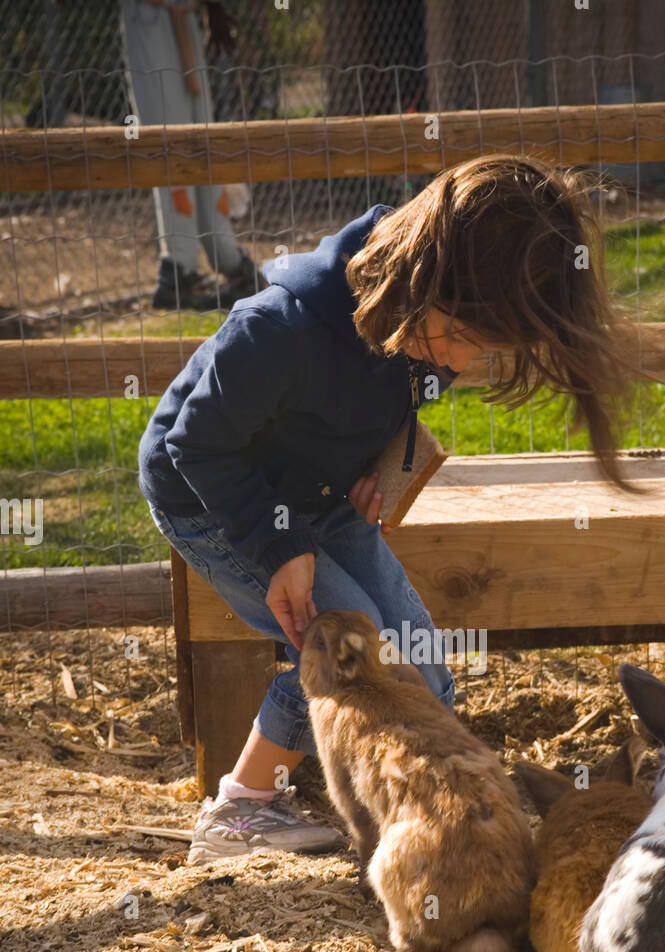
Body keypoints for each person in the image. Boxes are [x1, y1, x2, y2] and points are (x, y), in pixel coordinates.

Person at [138, 155, 634, 865]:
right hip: (216, 500)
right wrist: (279, 552)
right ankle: (242, 811)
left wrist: (384, 458)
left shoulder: (425, 319)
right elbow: (199, 445)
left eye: (479, 349)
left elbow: (396, 400)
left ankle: (403, 811)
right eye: (461, 339)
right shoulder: (276, 332)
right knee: (349, 662)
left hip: (320, 493)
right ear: (422, 279)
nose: (459, 364)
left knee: (426, 672)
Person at [119, 0, 259, 309]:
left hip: (186, 15)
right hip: (148, 15)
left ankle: (229, 261)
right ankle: (177, 271)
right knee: (168, 141)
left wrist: (214, 7)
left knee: (201, 143)